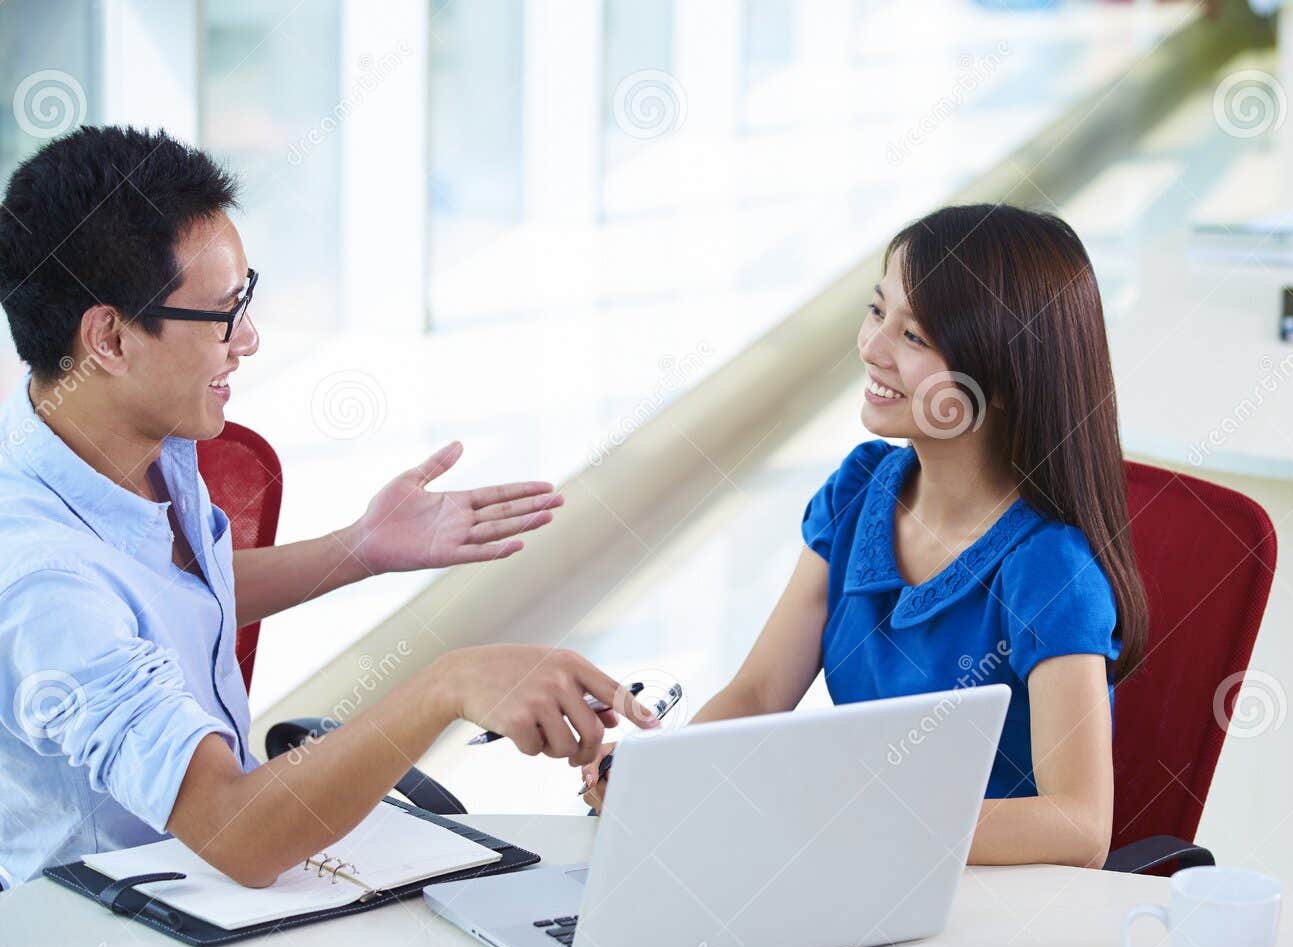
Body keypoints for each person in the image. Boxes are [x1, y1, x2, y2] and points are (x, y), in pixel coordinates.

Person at [0, 126, 650, 890]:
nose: (249, 338)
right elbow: (236, 831)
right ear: (110, 339)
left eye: (245, 297)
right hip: (114, 918)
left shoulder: (112, 432)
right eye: (223, 313)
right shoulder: (44, 586)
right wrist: (447, 685)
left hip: (206, 884)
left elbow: (165, 596)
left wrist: (361, 547)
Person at [582, 204, 1148, 868]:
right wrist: (668, 775)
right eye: (878, 311)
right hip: (858, 872)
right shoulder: (859, 492)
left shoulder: (1050, 569)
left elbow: (1080, 825)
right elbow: (760, 692)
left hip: (981, 898)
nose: (874, 348)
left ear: (1001, 378)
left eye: (914, 336)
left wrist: (846, 816)